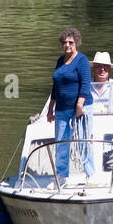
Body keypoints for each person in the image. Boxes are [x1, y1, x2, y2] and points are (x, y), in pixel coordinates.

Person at [31, 27, 93, 182]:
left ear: (76, 43)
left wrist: (80, 105)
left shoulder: (82, 60)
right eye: (65, 42)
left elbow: (85, 84)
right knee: (61, 143)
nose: (67, 45)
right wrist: (50, 109)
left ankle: (90, 175)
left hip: (81, 108)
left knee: (83, 142)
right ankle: (61, 176)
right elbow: (55, 86)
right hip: (62, 109)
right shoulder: (60, 60)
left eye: (71, 42)